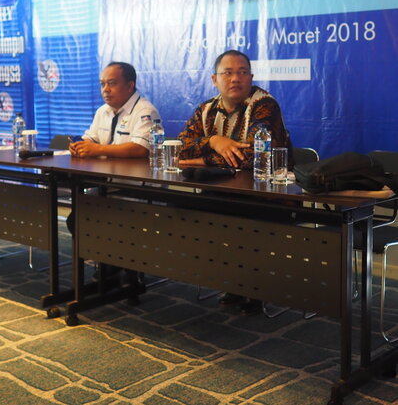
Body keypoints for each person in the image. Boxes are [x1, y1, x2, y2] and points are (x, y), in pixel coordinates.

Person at [178, 49, 292, 314]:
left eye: (242, 72)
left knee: (241, 217)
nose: (235, 79)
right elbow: (181, 148)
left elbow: (253, 157)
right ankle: (234, 281)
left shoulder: (264, 105)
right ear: (214, 79)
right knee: (188, 210)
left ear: (251, 77)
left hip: (268, 195)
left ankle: (252, 287)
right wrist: (214, 141)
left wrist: (202, 160)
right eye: (227, 73)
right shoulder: (206, 110)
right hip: (223, 192)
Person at [68, 61, 162, 291]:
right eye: (102, 84)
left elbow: (140, 149)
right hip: (105, 187)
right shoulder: (103, 111)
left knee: (119, 221)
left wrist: (98, 149)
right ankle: (108, 262)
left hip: (135, 190)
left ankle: (124, 267)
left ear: (130, 85)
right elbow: (91, 138)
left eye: (111, 83)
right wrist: (81, 145)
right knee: (76, 218)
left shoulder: (145, 111)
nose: (105, 90)